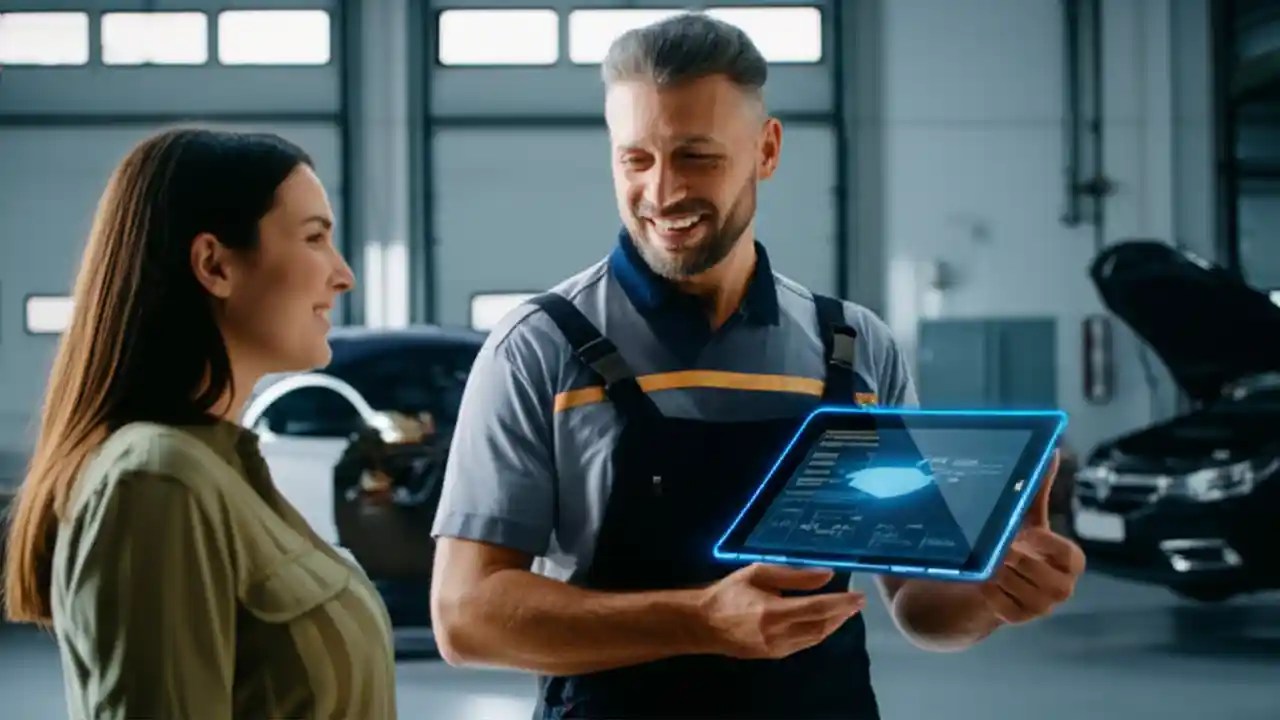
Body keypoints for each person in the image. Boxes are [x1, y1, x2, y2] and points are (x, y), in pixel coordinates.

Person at [429, 13, 1085, 720]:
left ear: (766, 151)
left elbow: (921, 607)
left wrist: (992, 588)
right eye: (636, 159)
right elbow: (465, 616)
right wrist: (700, 620)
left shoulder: (856, 349)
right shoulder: (540, 347)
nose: (662, 192)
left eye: (697, 156)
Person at [1, 128, 398, 719]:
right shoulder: (159, 480)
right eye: (315, 238)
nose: (343, 275)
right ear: (214, 265)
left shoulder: (220, 472)